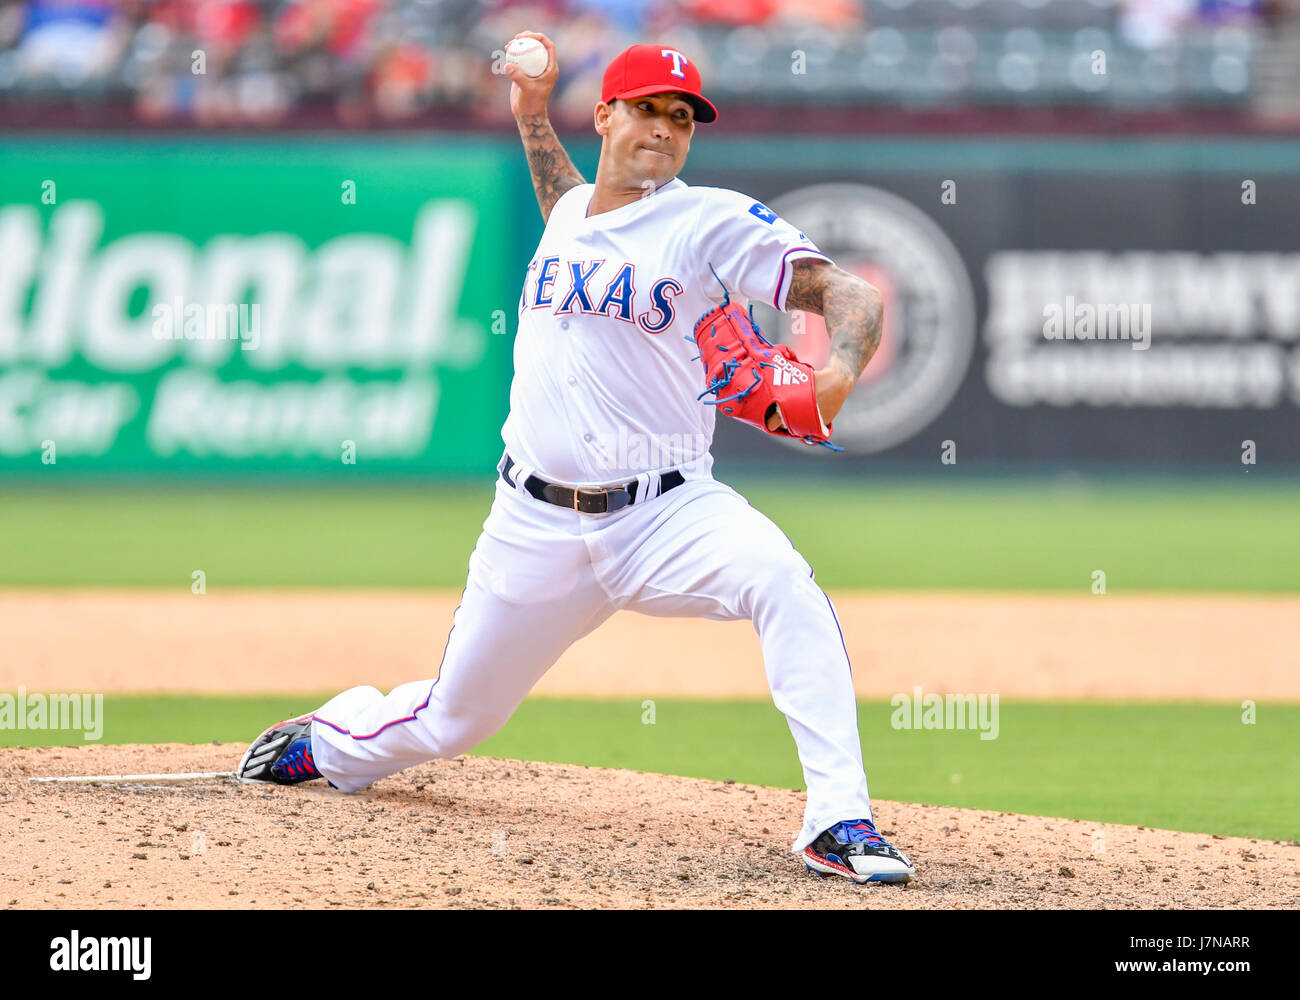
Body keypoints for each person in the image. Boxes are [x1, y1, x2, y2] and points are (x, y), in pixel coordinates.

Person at [237, 32, 916, 885]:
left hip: (668, 512)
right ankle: (327, 742)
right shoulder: (568, 214)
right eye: (647, 109)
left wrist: (839, 372)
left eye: (682, 116)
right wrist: (528, 114)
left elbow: (849, 293)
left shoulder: (708, 222)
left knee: (784, 582)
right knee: (455, 720)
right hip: (533, 524)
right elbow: (569, 195)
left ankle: (839, 821)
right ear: (606, 115)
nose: (666, 128)